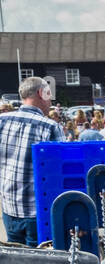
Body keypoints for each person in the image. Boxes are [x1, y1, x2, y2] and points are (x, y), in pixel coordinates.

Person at [0, 77, 64, 246]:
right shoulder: (50, 126)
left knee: (17, 261)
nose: (50, 101)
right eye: (49, 95)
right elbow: (60, 171)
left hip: (9, 207)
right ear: (40, 93)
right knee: (39, 261)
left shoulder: (2, 121)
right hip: (38, 211)